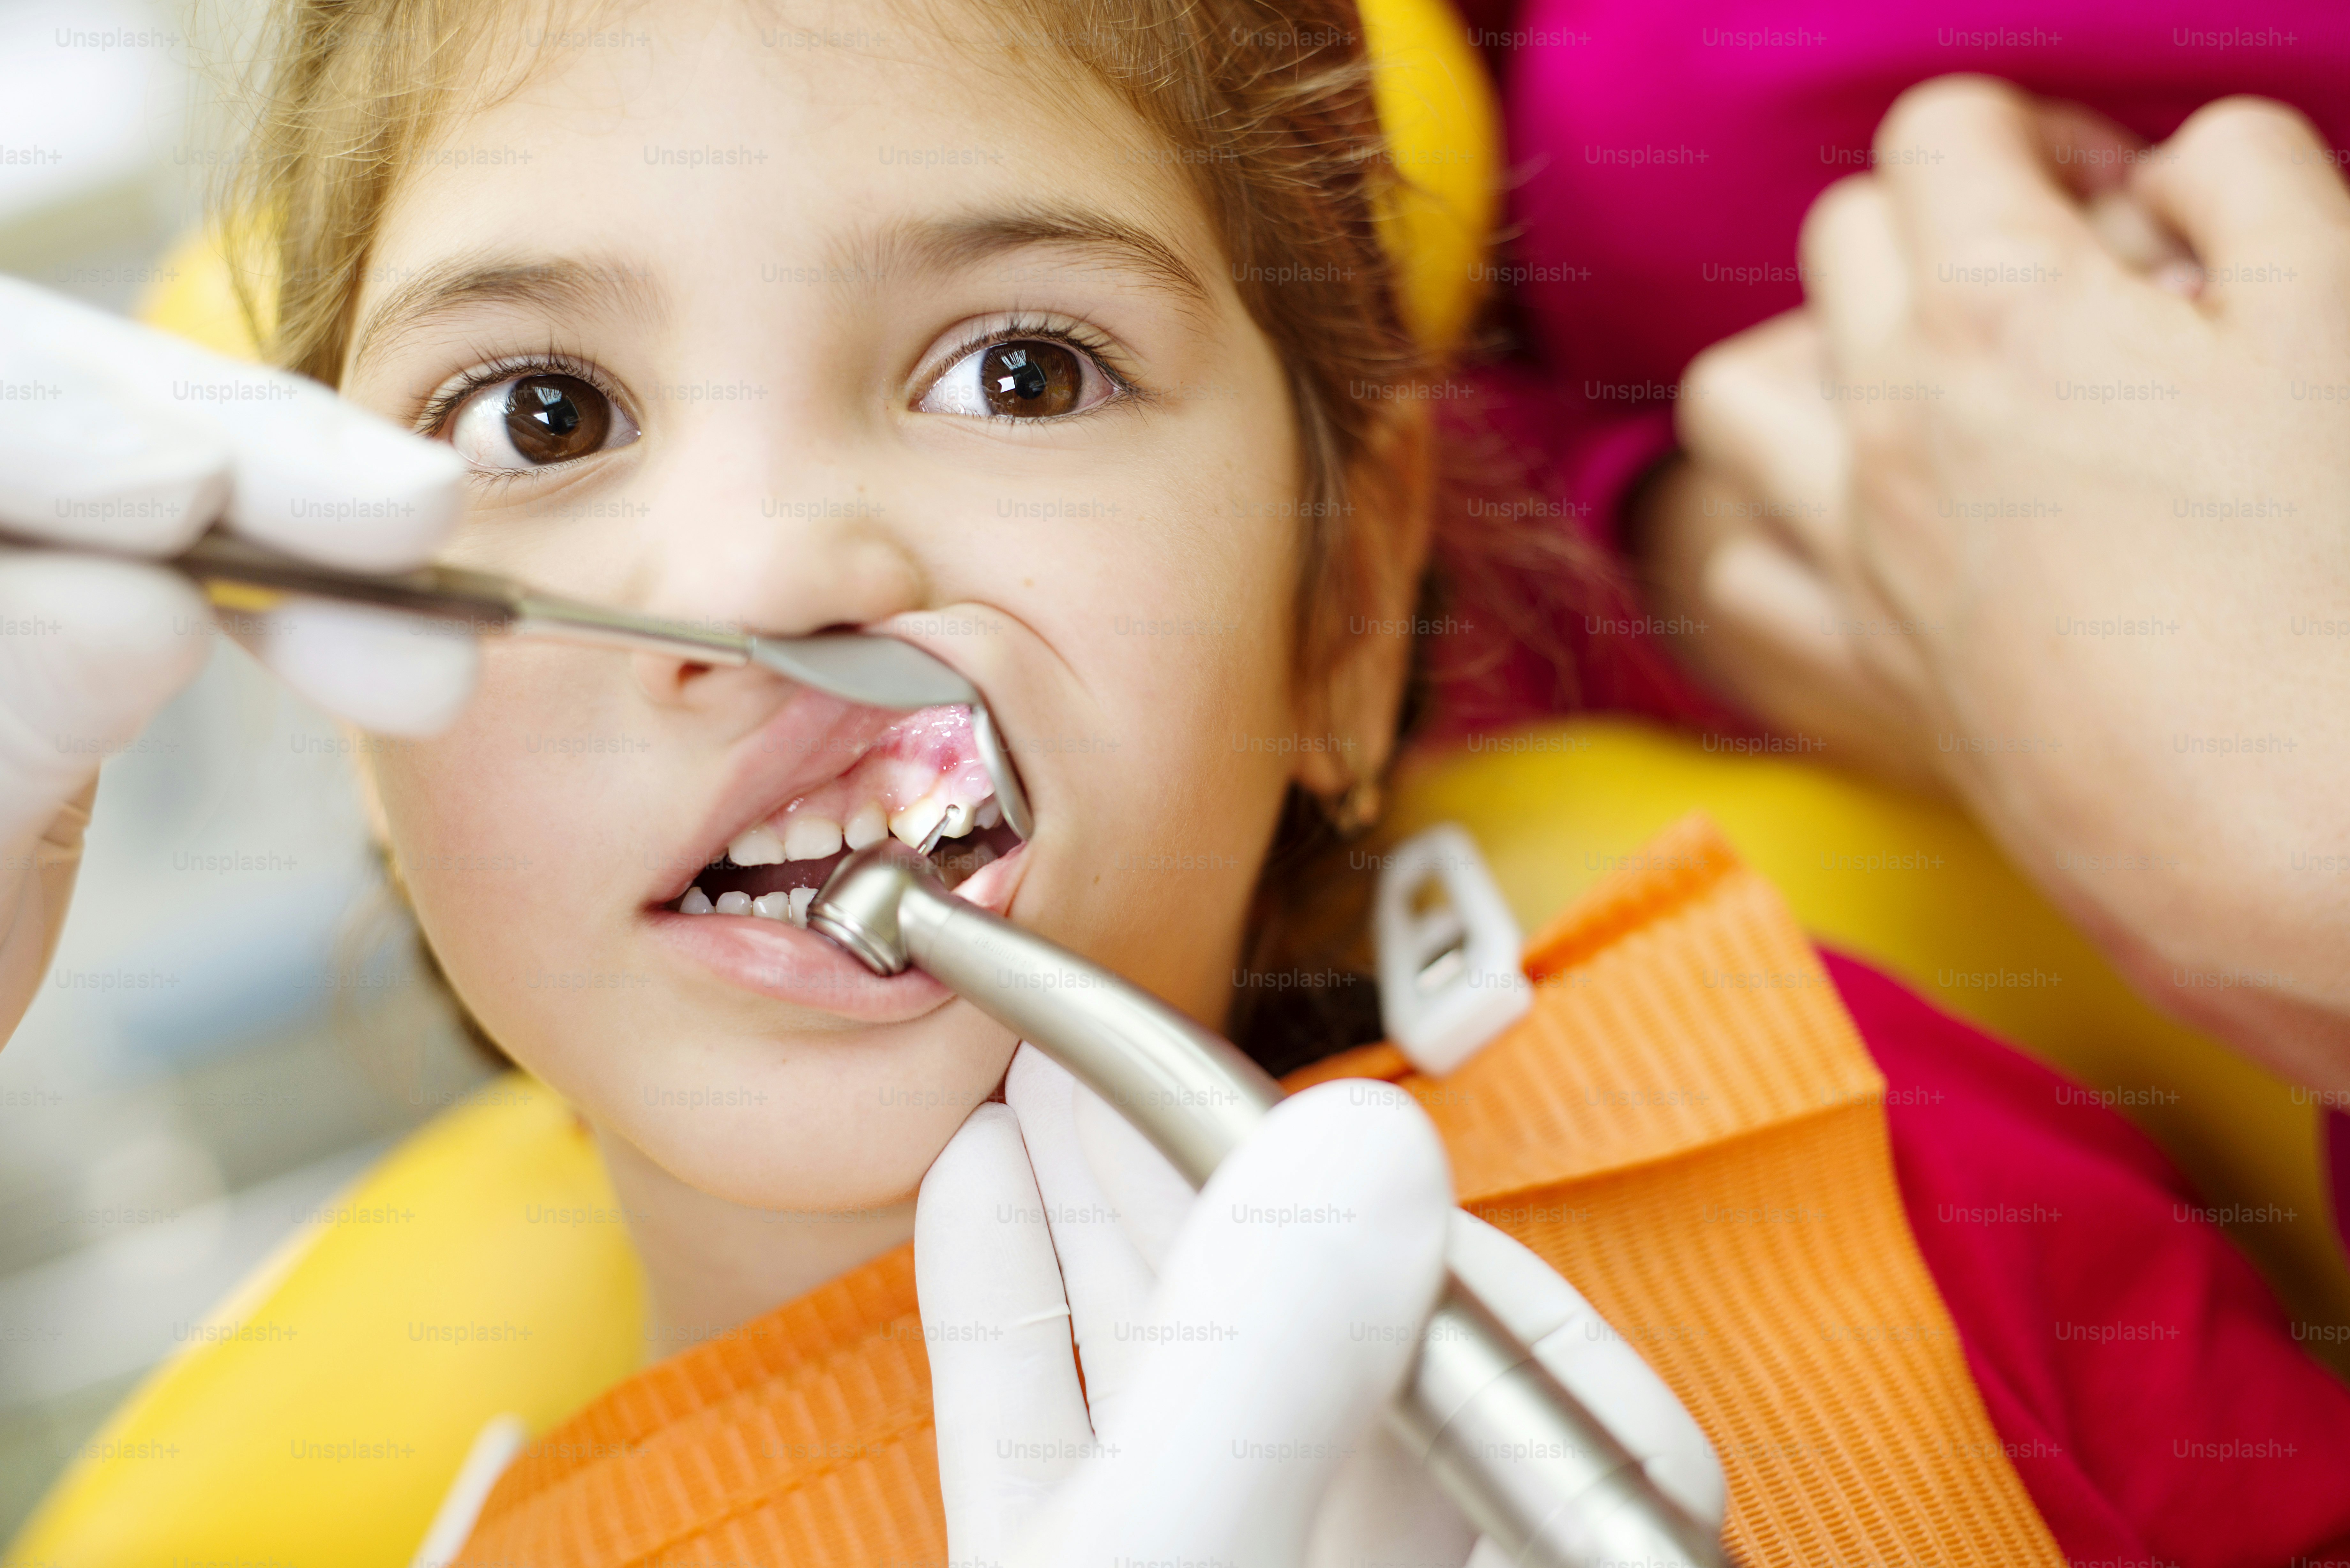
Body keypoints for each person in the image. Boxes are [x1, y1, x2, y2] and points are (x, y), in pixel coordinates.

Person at [4, 2, 2348, 1565]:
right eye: (544, 413)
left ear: (1348, 602)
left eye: (1020, 372)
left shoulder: (1867, 1159)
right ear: (350, 688)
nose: (767, 567)